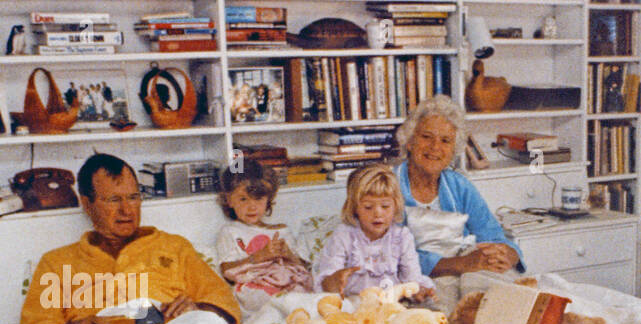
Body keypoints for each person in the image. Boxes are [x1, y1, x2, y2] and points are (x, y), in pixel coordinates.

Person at [19, 154, 239, 324]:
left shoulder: (174, 247)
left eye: (133, 198)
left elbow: (224, 306)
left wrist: (196, 309)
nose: (127, 210)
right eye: (114, 200)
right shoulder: (57, 263)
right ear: (87, 204)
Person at [394, 96, 523, 279]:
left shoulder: (459, 186)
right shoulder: (386, 186)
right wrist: (458, 264)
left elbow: (492, 235)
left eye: (446, 140)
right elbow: (387, 255)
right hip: (413, 283)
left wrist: (507, 255)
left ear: (454, 150)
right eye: (426, 137)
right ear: (409, 141)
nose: (435, 147)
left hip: (465, 274)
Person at [312, 164, 435, 301]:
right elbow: (328, 275)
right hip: (353, 302)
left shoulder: (402, 236)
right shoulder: (344, 234)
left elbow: (411, 279)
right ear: (354, 208)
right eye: (368, 207)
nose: (378, 213)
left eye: (385, 206)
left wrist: (417, 291)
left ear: (396, 206)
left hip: (391, 302)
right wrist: (333, 281)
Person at [215, 160, 312, 307]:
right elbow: (227, 270)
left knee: (305, 291)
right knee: (268, 298)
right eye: (243, 199)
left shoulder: (281, 230)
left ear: (268, 200)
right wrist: (258, 257)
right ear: (230, 200)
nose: (252, 206)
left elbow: (303, 267)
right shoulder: (230, 232)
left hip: (287, 282)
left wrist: (289, 255)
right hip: (256, 286)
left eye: (258, 199)